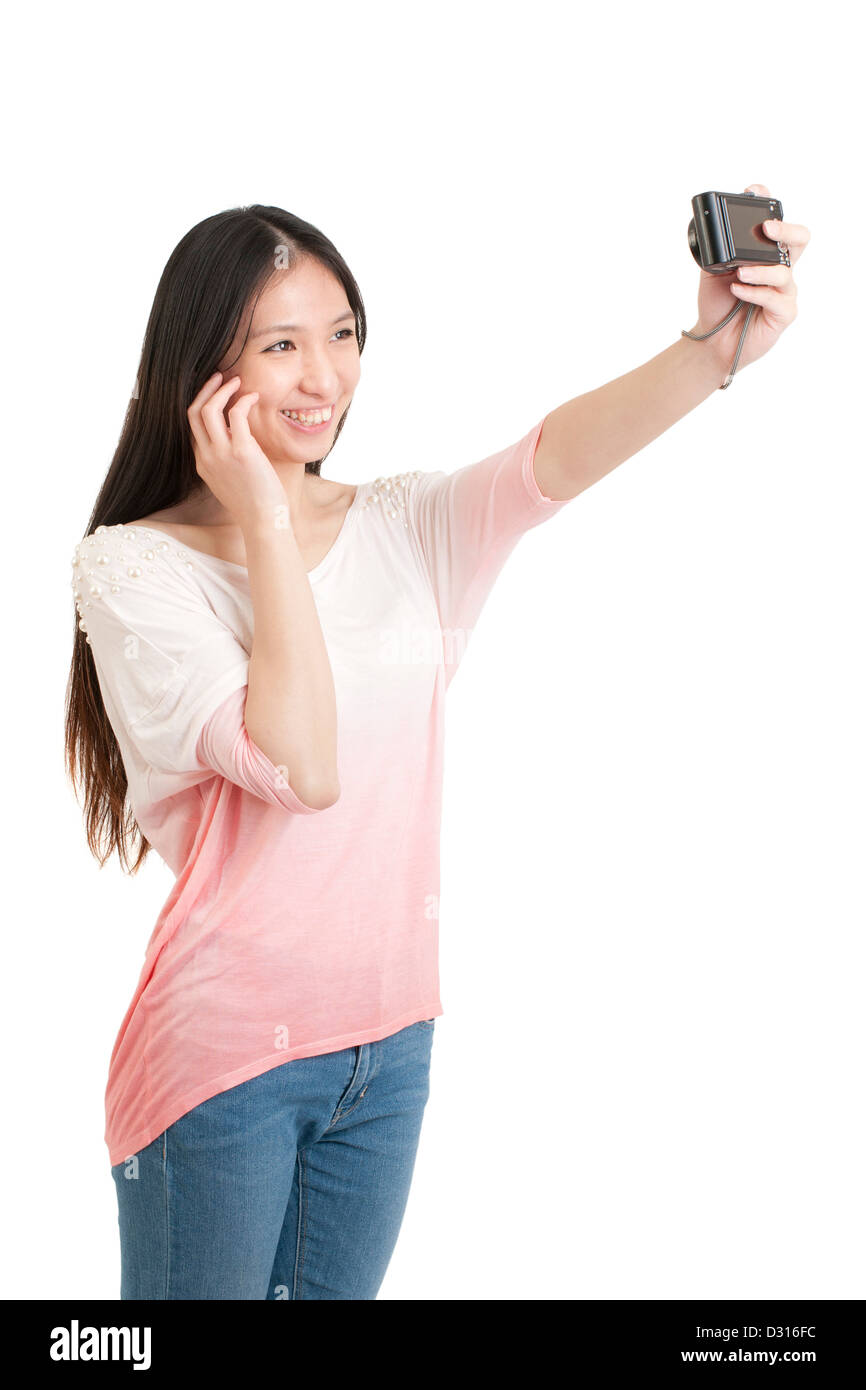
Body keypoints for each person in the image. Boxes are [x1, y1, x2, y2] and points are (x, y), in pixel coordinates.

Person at [65, 191, 806, 1300]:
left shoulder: (404, 525)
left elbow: (545, 460)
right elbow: (301, 766)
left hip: (390, 1045)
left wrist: (713, 351)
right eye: (280, 346)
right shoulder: (132, 567)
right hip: (223, 1064)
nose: (324, 378)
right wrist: (267, 517)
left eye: (342, 335)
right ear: (202, 371)